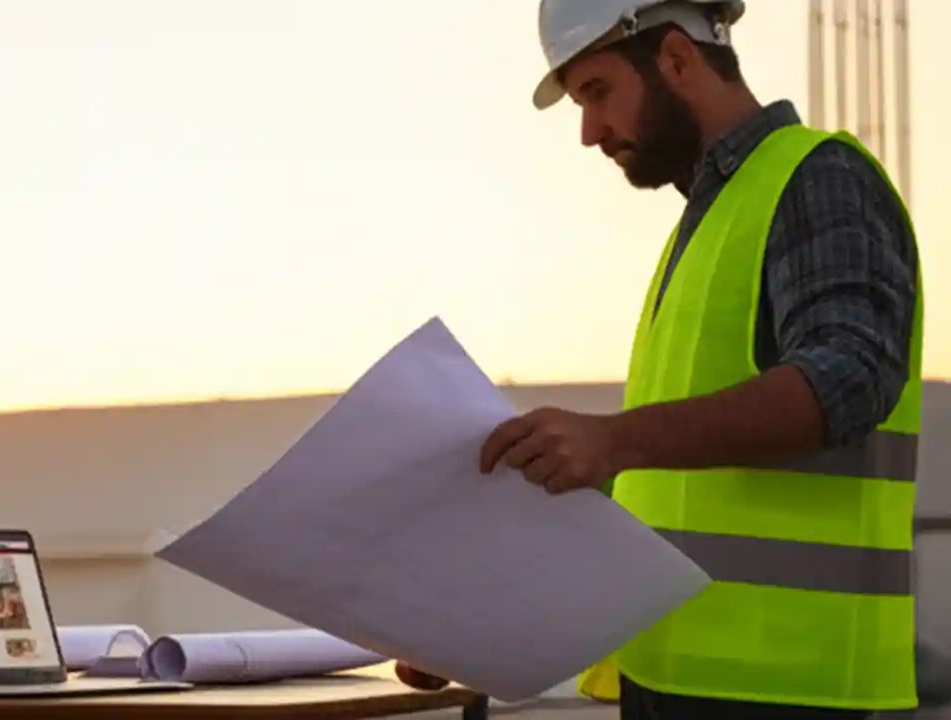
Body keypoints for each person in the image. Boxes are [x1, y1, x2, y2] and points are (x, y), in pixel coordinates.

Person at [395, 1, 923, 718]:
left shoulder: (816, 177)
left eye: (597, 92)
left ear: (676, 58)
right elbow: (656, 500)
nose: (588, 133)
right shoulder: (708, 228)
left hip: (791, 693)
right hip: (681, 686)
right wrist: (477, 624)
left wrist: (610, 438)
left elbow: (849, 379)